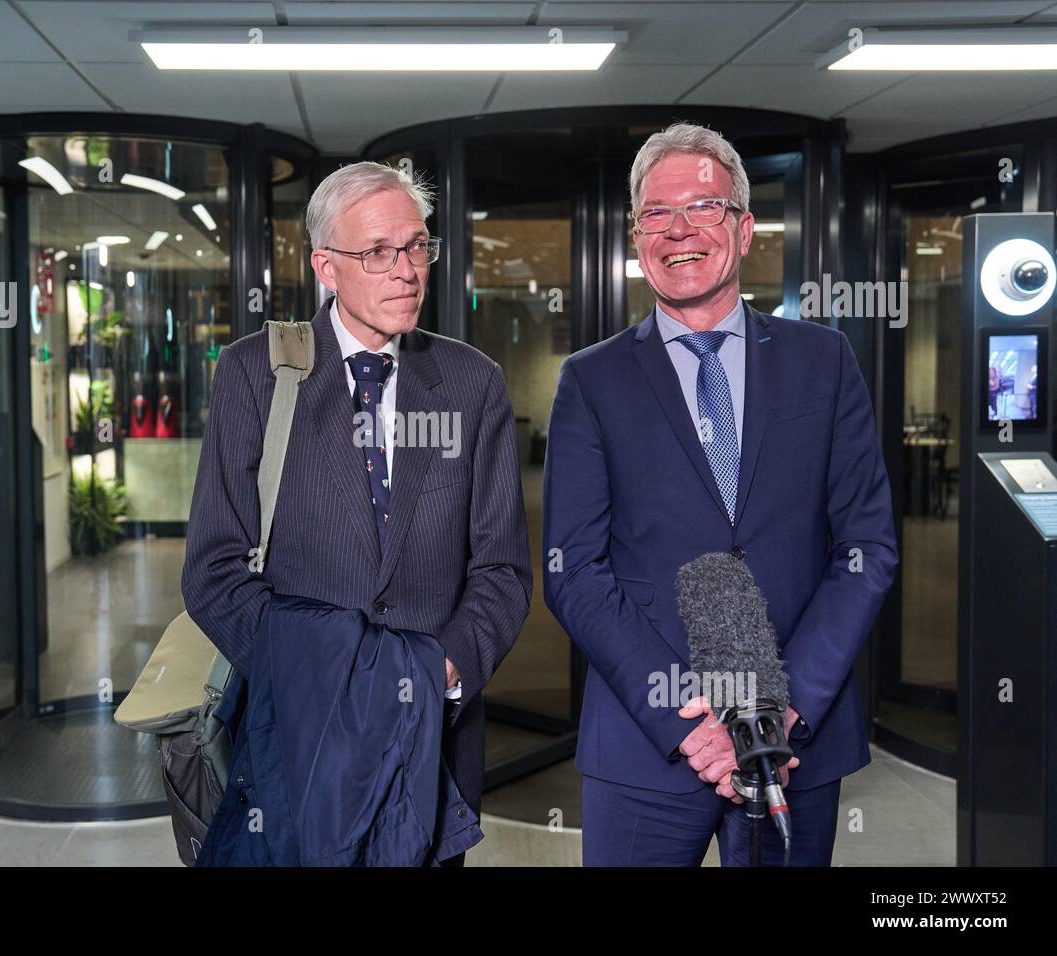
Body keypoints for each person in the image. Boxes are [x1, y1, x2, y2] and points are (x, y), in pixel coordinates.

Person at [543, 123, 898, 866]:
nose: (678, 231)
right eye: (655, 214)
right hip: (649, 747)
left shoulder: (825, 362)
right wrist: (690, 725)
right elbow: (573, 570)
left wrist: (782, 705)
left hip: (797, 741)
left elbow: (865, 548)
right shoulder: (592, 379)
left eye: (702, 207)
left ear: (742, 227)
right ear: (636, 237)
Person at [181, 160, 532, 866]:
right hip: (300, 740)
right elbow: (215, 571)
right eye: (378, 252)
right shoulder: (258, 374)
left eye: (418, 246)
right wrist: (325, 684)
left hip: (432, 737)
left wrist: (438, 674)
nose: (406, 270)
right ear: (326, 267)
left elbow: (502, 571)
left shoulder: (472, 384)